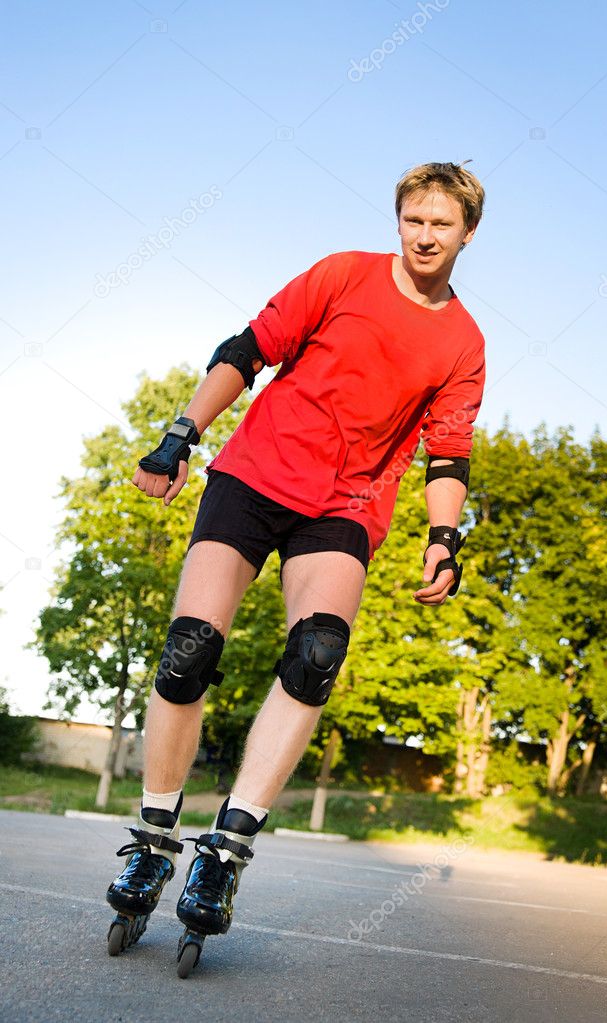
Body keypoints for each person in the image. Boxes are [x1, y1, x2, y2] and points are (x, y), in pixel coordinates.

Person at [105, 161, 487, 967]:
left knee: (316, 655)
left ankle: (225, 850)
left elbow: (447, 454)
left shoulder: (463, 341)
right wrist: (182, 435)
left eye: (441, 225)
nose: (424, 235)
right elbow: (247, 348)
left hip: (346, 504)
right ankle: (154, 833)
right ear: (398, 221)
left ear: (467, 234)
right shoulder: (341, 274)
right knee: (188, 652)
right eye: (414, 219)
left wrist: (443, 539)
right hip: (254, 473)